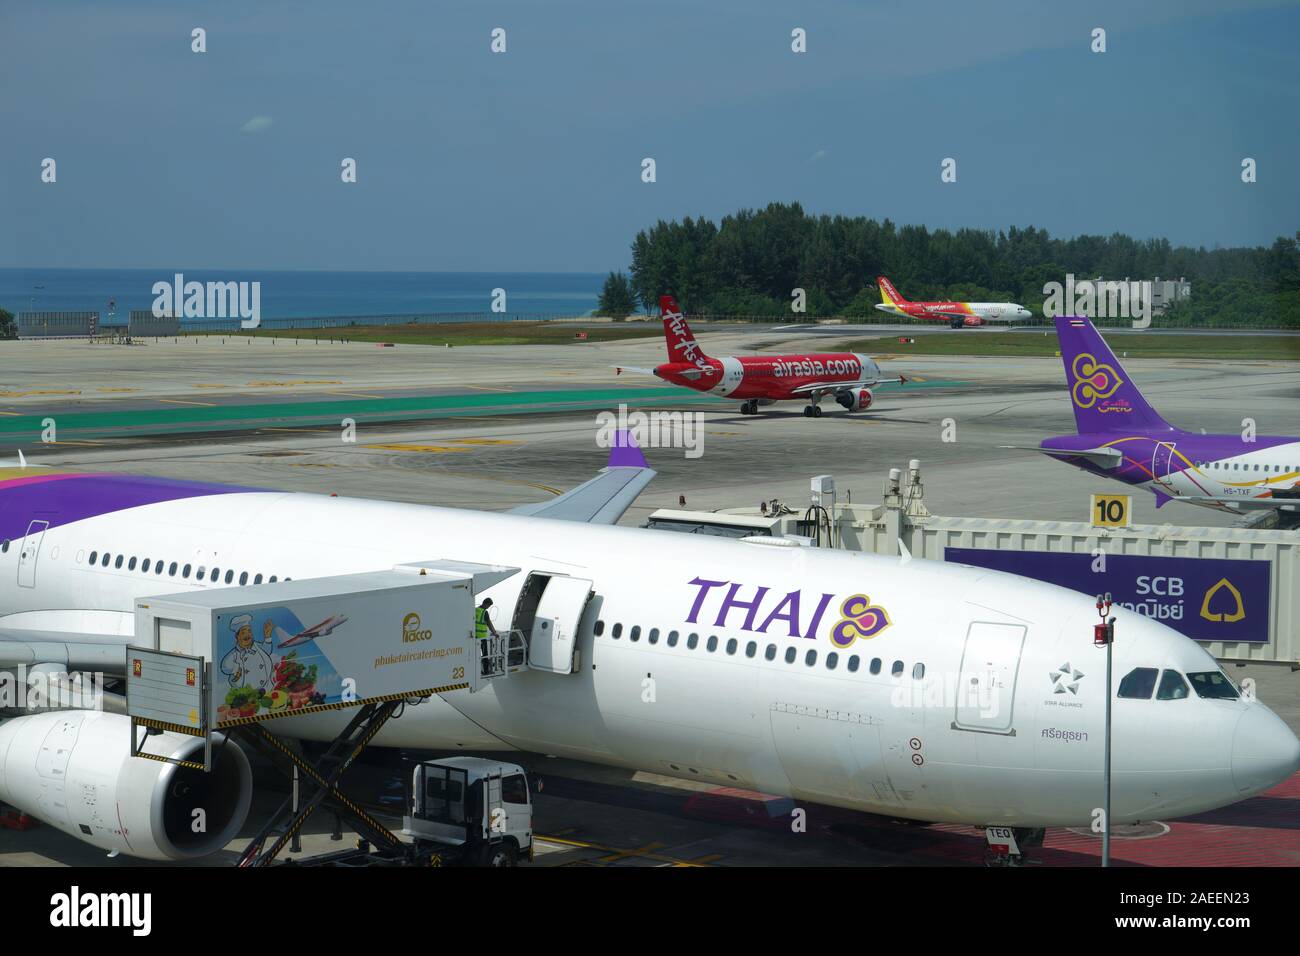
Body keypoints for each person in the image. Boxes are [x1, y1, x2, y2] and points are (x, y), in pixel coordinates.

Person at [476, 598, 499, 677]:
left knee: (475, 654)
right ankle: (486, 671)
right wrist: (495, 633)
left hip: (474, 637)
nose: (488, 607)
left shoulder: (475, 610)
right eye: (489, 605)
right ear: (486, 604)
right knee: (485, 654)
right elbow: (489, 624)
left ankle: (476, 669)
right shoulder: (484, 612)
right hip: (481, 637)